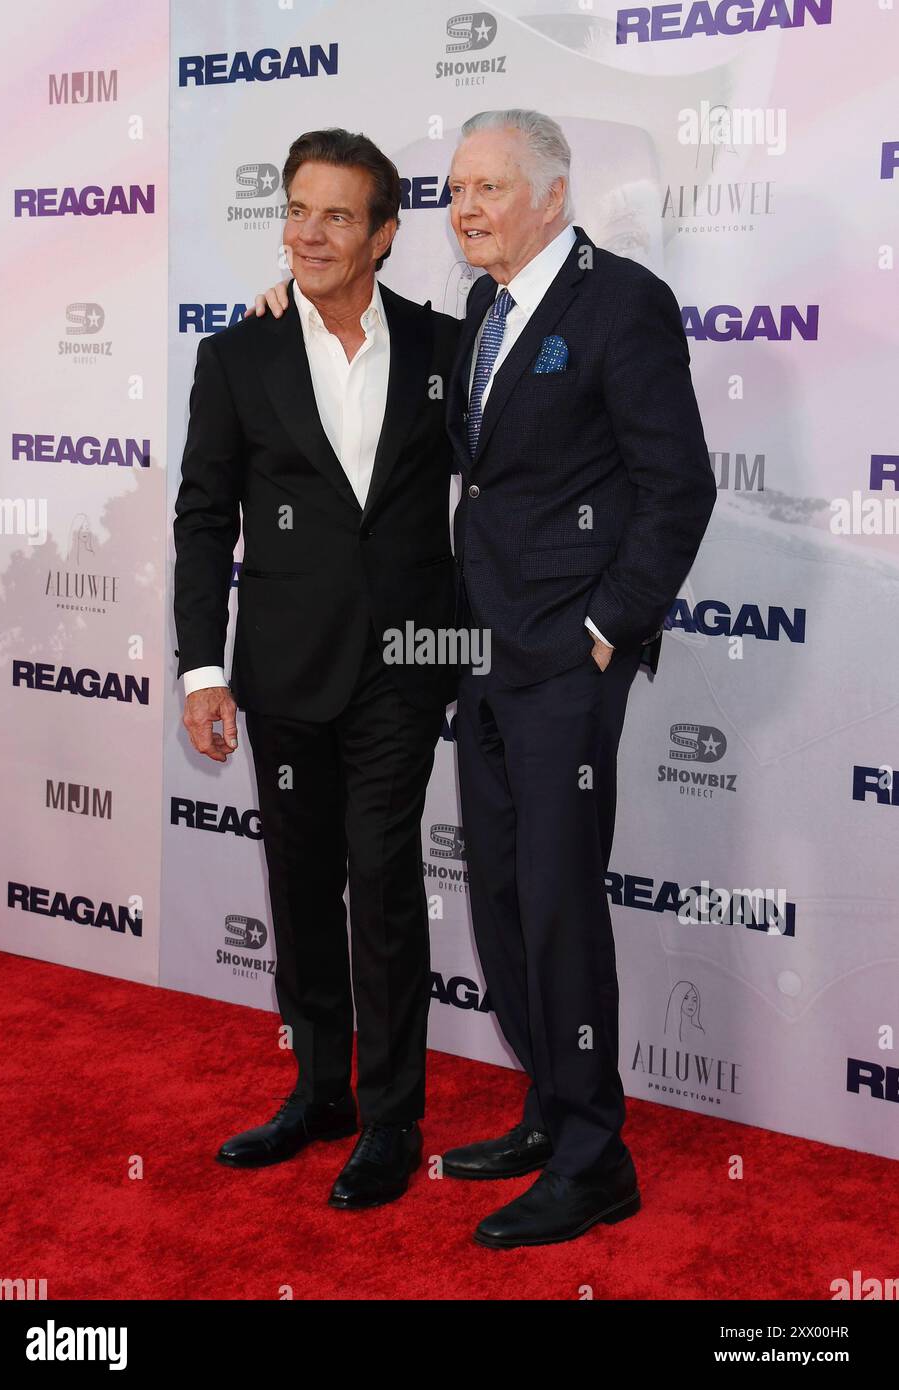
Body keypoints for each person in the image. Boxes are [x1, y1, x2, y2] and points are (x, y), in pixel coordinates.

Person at [252, 108, 716, 1248]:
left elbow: (679, 488)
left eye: (488, 189)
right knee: (505, 899)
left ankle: (596, 1155)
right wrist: (292, 312)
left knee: (555, 900)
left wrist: (606, 628)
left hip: (566, 658)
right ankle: (551, 1116)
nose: (463, 208)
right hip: (480, 655)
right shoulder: (477, 309)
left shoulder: (622, 303)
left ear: (551, 197)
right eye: (454, 189)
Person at [173, 128, 460, 1210]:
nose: (309, 232)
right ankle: (318, 1093)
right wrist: (204, 667)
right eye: (298, 209)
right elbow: (202, 521)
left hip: (402, 661)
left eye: (338, 215)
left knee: (381, 880)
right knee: (298, 889)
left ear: (384, 235)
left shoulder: (440, 348)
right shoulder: (238, 352)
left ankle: (390, 1117)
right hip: (283, 667)